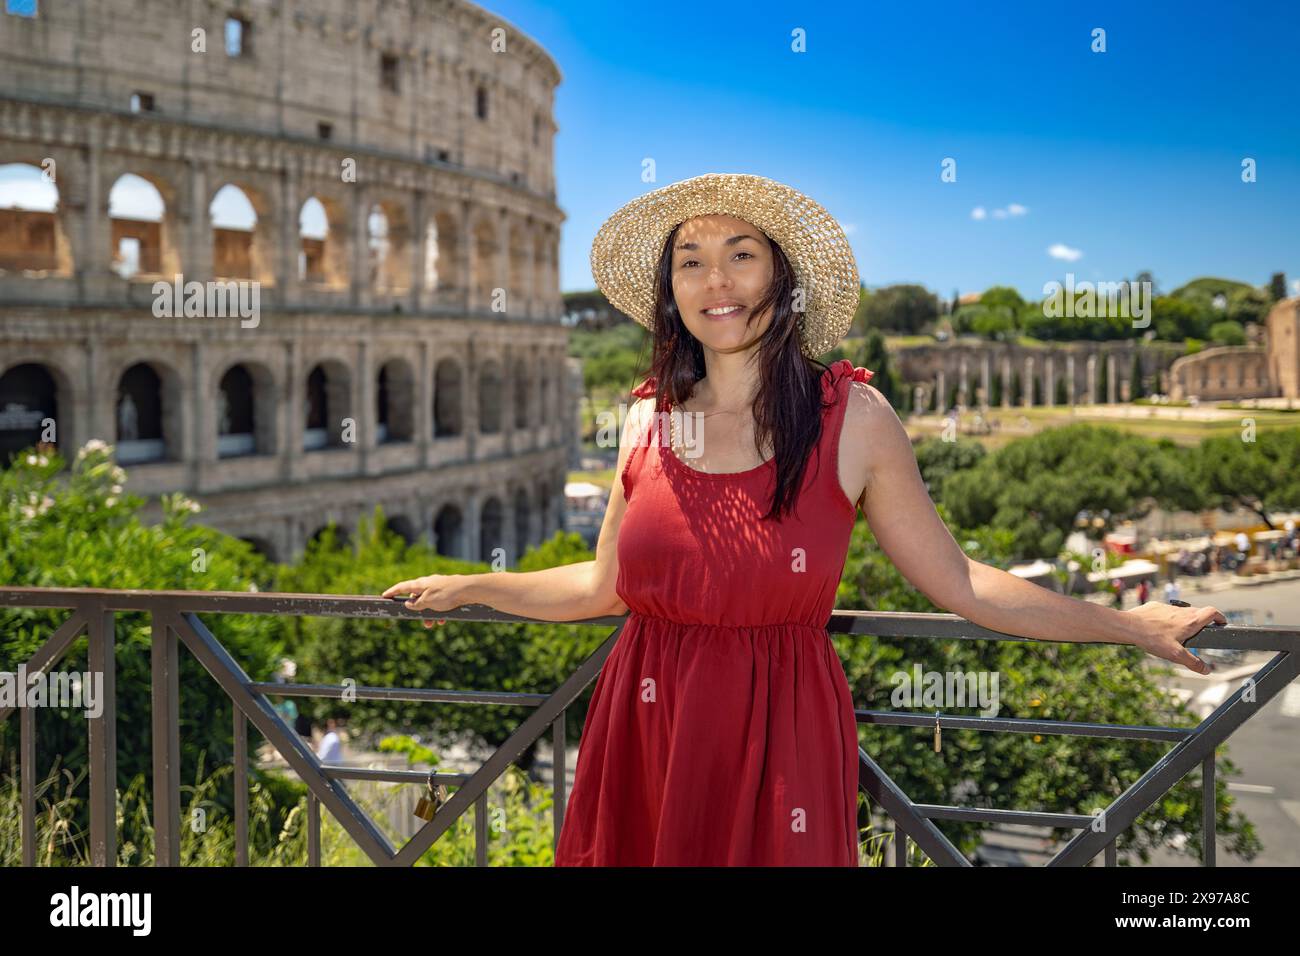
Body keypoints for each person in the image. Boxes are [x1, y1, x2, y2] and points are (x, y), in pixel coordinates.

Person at [381, 172, 1224, 867]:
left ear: (782, 279)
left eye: (741, 255)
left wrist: (1129, 625)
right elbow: (605, 588)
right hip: (643, 732)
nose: (716, 281)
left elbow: (962, 584)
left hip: (776, 744)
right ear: (670, 291)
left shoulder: (853, 416)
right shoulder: (646, 419)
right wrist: (474, 585)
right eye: (691, 261)